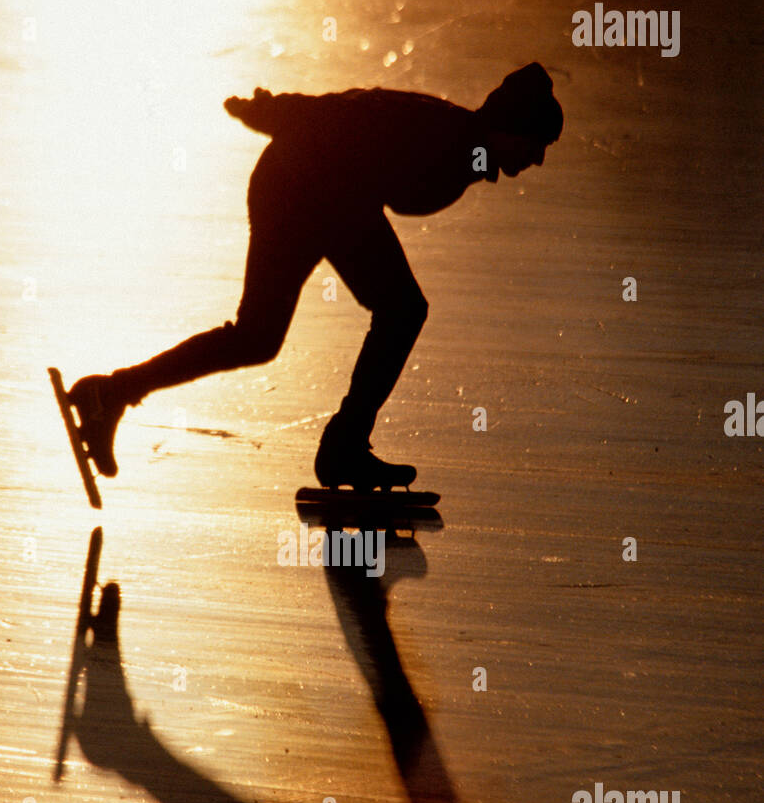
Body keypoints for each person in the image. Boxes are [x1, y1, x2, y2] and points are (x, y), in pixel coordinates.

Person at [66, 62, 563, 491]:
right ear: (508, 127)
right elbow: (349, 113)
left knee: (258, 338)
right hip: (304, 190)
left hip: (313, 190)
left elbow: (359, 109)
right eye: (535, 143)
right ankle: (344, 447)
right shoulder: (446, 138)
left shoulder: (462, 144)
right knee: (401, 310)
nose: (538, 159)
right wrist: (273, 112)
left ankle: (109, 393)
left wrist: (274, 113)